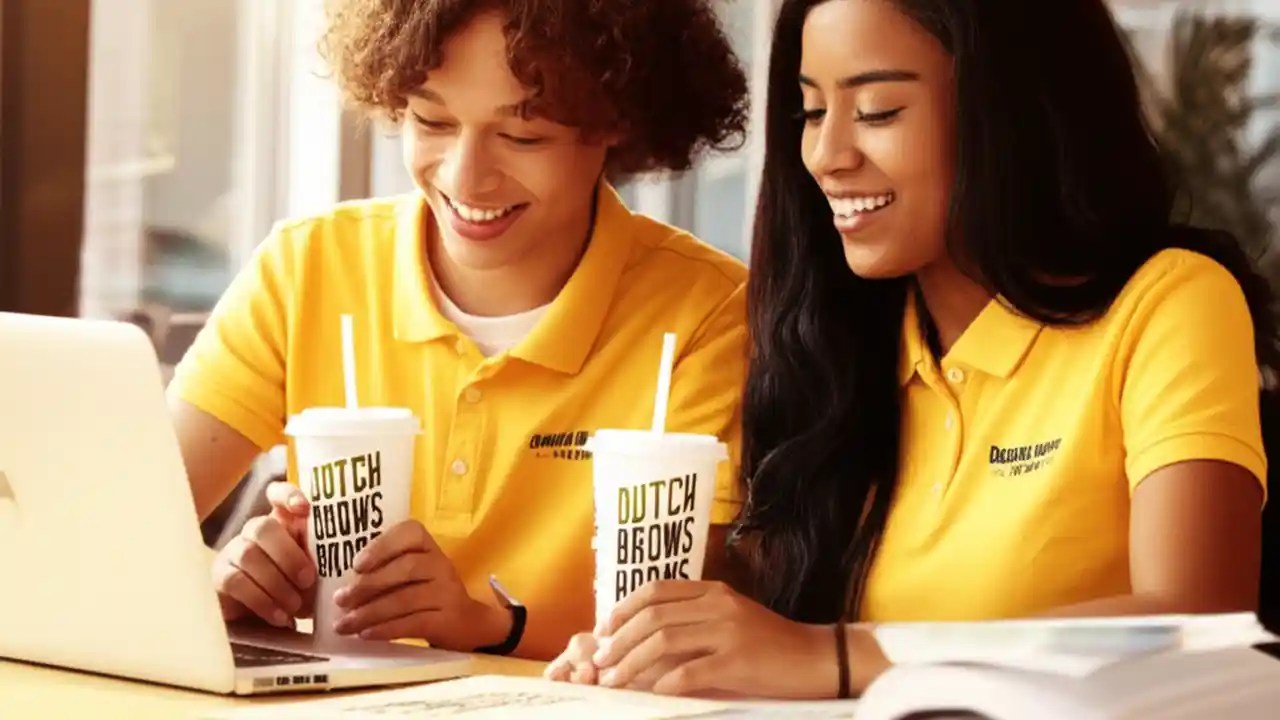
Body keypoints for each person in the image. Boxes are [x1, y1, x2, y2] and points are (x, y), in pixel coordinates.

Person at [547, 0, 1280, 697]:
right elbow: (763, 626)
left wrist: (834, 654)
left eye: (877, 111)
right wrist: (658, 645)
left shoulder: (1169, 302)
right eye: (811, 112)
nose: (826, 155)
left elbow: (1196, 617)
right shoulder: (833, 351)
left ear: (1011, 110)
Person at [167, 0, 751, 661]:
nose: (464, 176)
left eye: (523, 136)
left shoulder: (709, 313)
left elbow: (684, 631)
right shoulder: (309, 267)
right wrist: (218, 582)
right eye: (432, 121)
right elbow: (122, 520)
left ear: (619, 122)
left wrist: (488, 625)